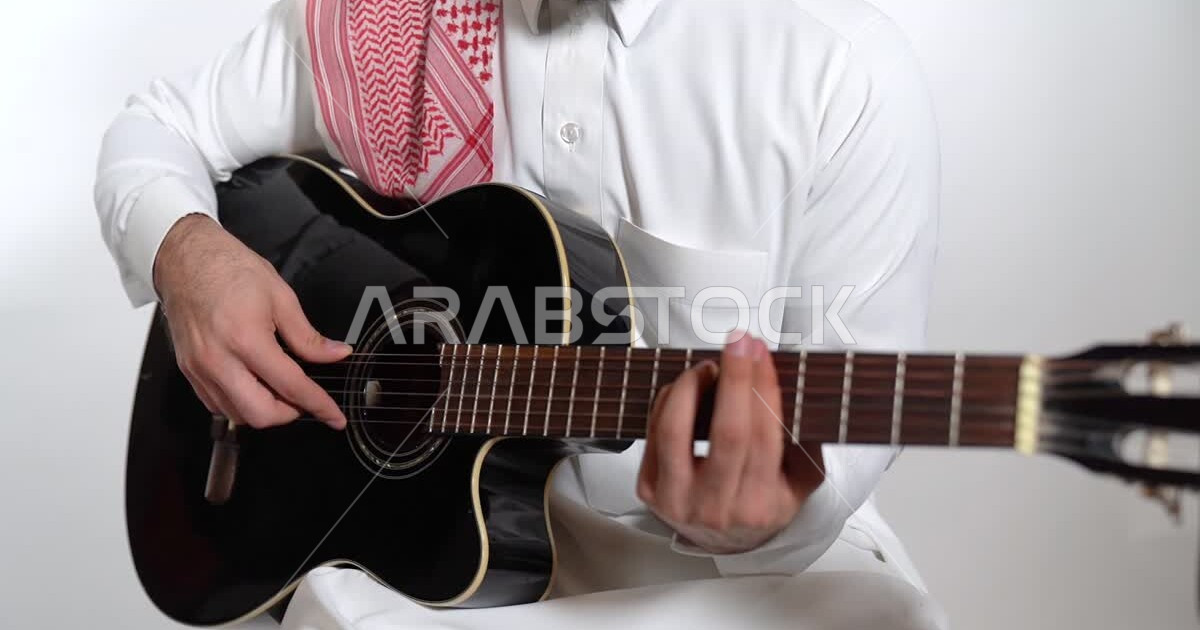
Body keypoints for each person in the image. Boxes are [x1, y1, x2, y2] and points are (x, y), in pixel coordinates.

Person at [95, 0, 943, 628]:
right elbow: (156, 130)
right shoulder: (376, 19)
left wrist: (769, 508)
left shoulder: (840, 68)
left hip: (724, 584)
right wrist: (189, 255)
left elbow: (846, 436)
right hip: (433, 562)